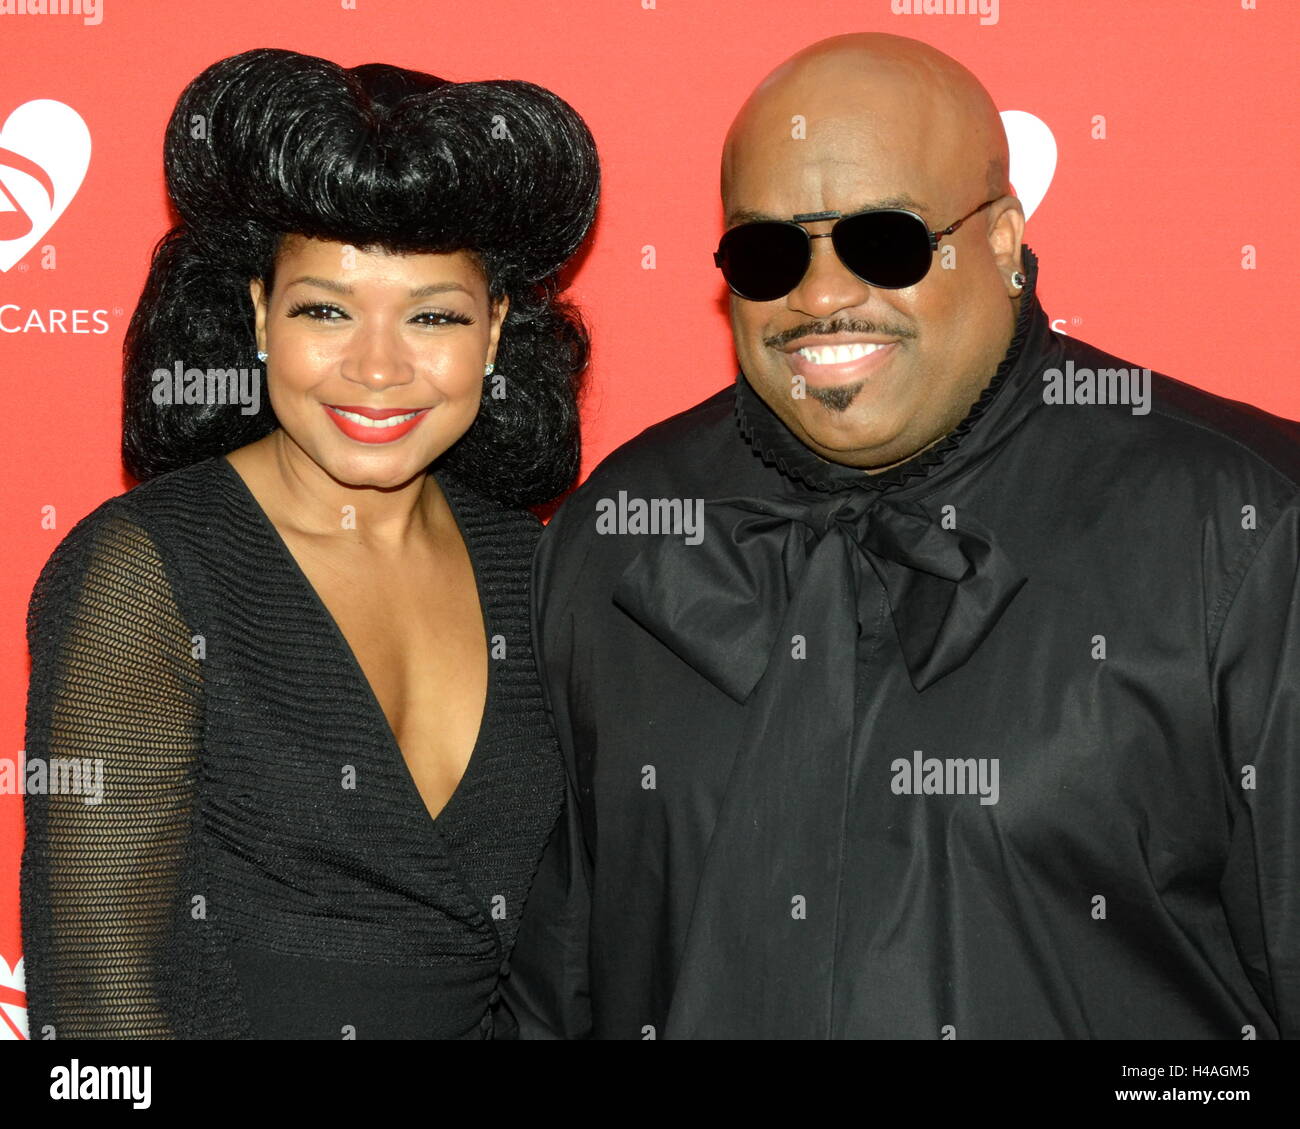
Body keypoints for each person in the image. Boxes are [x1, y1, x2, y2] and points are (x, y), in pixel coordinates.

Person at [504, 32, 1299, 1039]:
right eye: (768, 253)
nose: (823, 296)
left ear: (1005, 241)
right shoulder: (616, 532)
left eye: (885, 242)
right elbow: (556, 986)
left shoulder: (1247, 525)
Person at [20, 47, 598, 1039]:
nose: (377, 366)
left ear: (498, 330)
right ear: (256, 315)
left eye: (433, 315)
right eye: (325, 309)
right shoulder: (147, 570)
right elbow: (96, 997)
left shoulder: (535, 568)